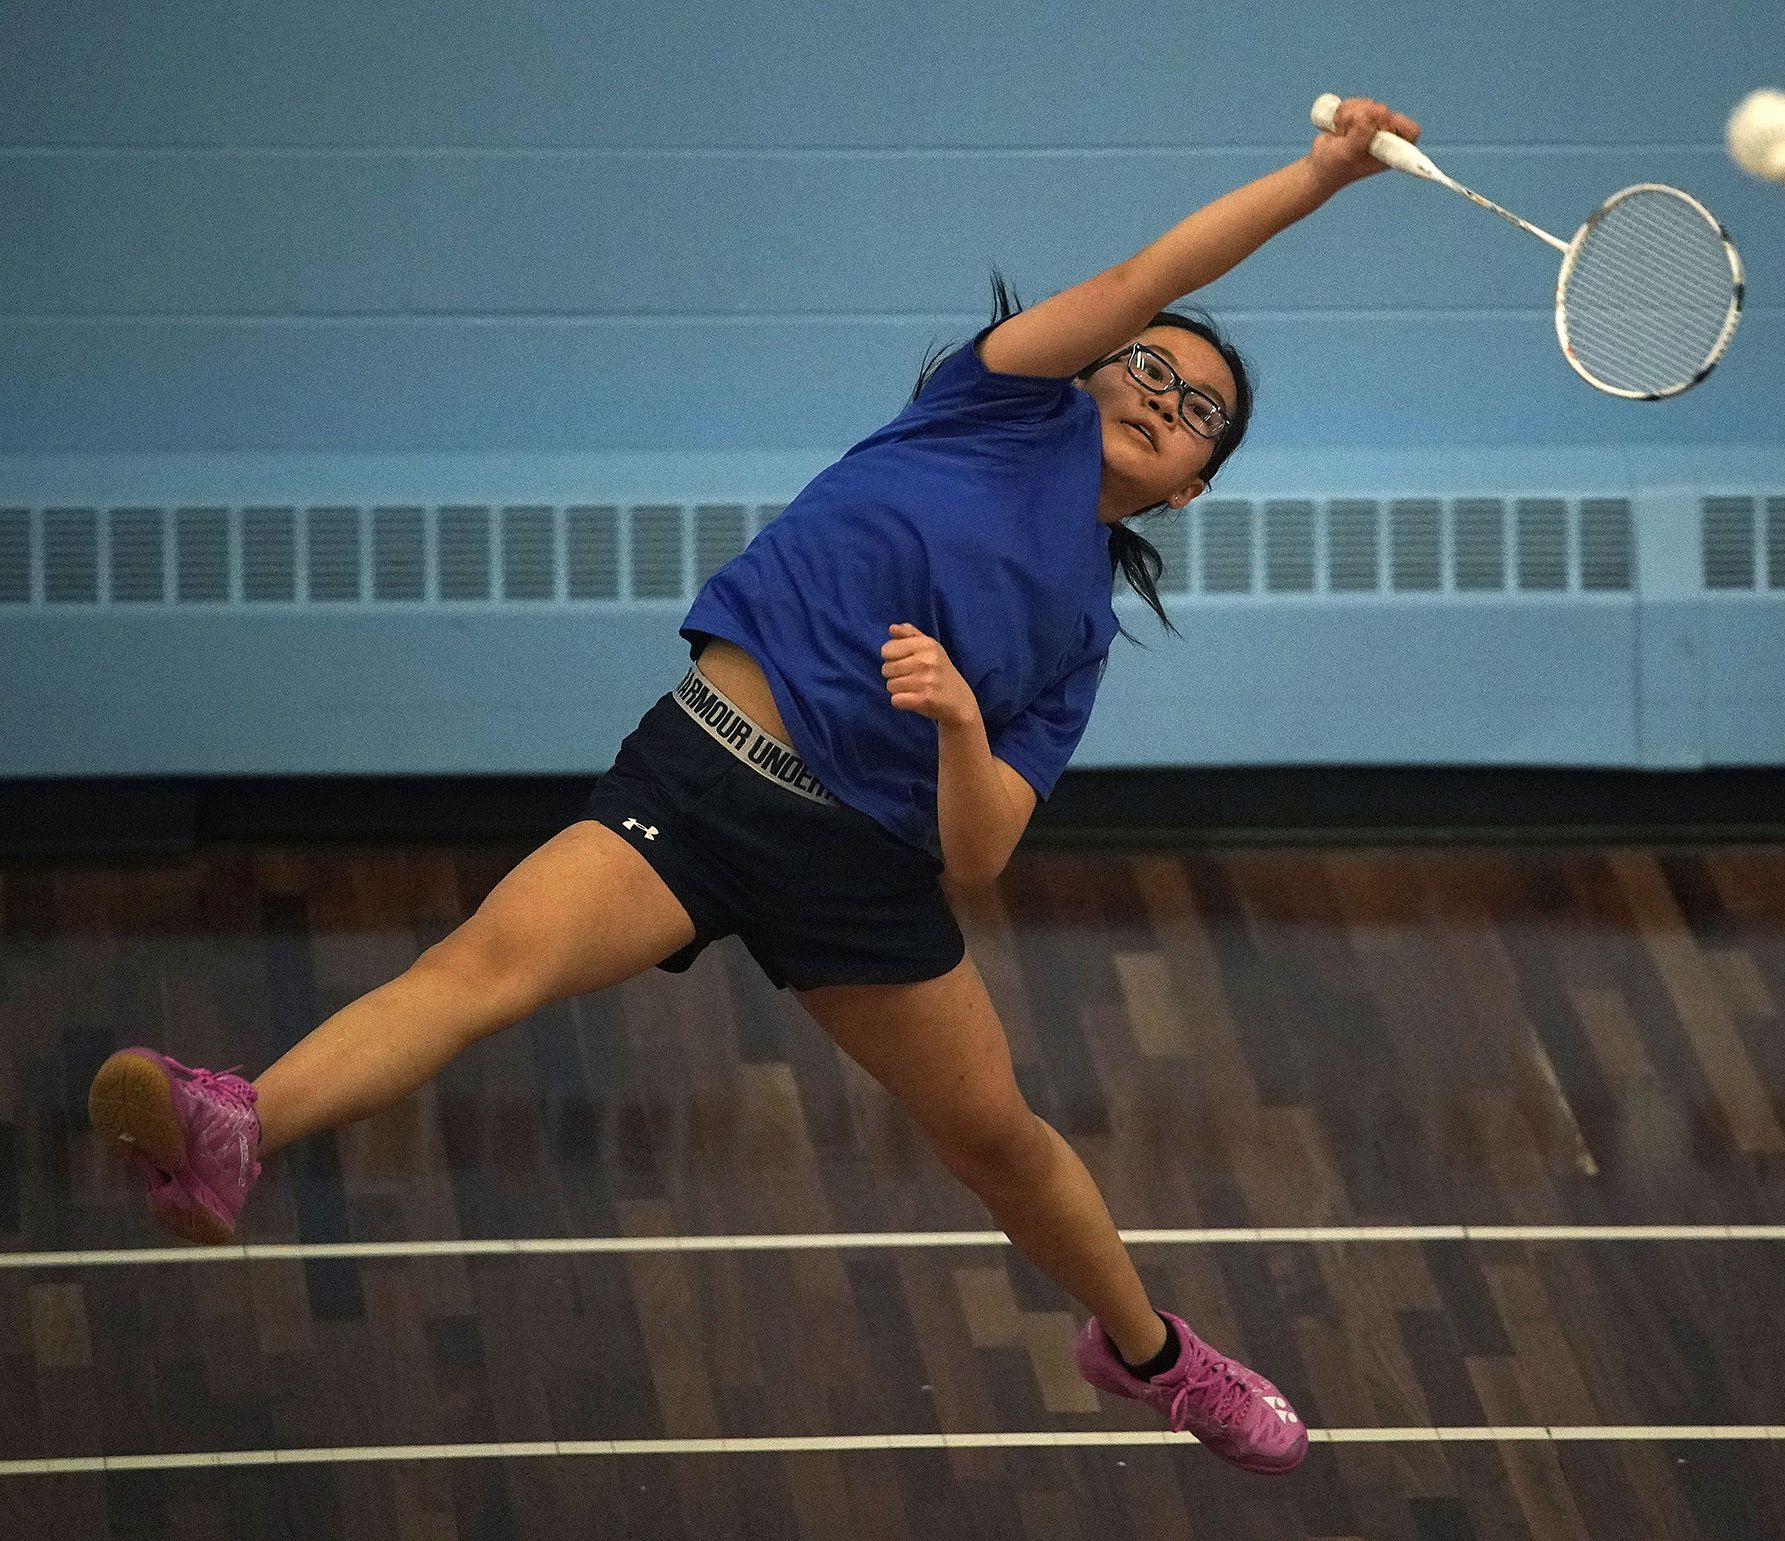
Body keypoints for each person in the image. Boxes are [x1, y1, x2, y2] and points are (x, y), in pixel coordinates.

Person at [90, 97, 1419, 1474]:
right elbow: (1157, 274)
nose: (1164, 395)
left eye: (1201, 413)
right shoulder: (994, 402)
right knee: (485, 964)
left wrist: (964, 726)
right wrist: (1318, 179)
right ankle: (236, 1123)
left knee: (1000, 1141)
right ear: (1091, 366)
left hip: (858, 862)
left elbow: (981, 854)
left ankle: (1152, 1355)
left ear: (1193, 488)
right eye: (1151, 369)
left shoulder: (1078, 635)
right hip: (705, 779)